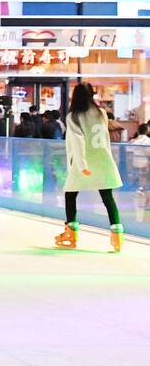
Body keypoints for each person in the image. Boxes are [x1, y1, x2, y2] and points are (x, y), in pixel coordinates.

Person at [54, 82, 124, 252]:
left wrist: (81, 165)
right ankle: (117, 235)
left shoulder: (74, 116)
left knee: (70, 194)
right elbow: (105, 137)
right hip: (103, 158)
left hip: (84, 160)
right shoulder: (101, 113)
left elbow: (77, 141)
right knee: (107, 197)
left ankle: (71, 232)